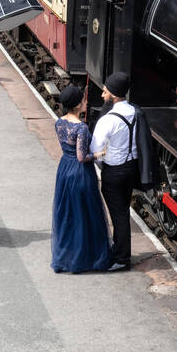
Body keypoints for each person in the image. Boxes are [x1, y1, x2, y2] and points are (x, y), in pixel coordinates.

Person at [51, 84, 112, 273]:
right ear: (78, 105)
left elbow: (69, 150)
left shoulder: (59, 122)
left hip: (64, 169)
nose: (86, 102)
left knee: (68, 214)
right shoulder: (82, 128)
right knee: (85, 214)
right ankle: (86, 257)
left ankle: (67, 257)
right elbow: (81, 156)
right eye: (84, 100)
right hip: (80, 172)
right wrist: (99, 154)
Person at [90, 72, 138, 273]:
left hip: (114, 171)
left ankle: (121, 258)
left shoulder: (108, 120)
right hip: (130, 168)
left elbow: (95, 148)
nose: (103, 92)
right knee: (123, 211)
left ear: (114, 94)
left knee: (118, 216)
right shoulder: (135, 112)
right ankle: (120, 251)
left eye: (106, 89)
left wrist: (100, 157)